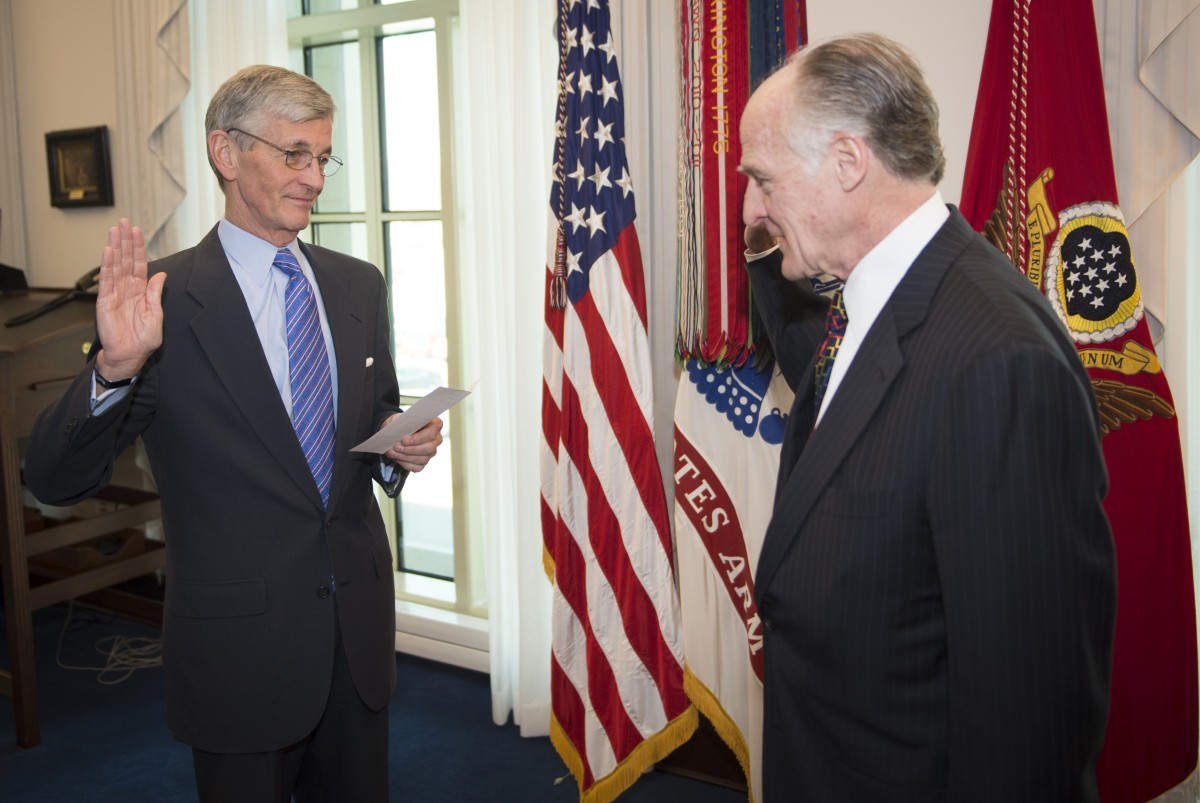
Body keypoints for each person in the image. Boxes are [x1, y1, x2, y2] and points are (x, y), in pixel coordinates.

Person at [24, 65, 443, 802]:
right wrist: (115, 368)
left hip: (357, 637)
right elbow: (52, 480)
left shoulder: (357, 284)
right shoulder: (161, 302)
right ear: (225, 152)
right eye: (294, 155)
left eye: (323, 156)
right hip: (239, 652)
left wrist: (395, 447)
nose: (315, 178)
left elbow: (372, 414)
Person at [737, 33, 1117, 801]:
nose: (750, 207)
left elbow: (1026, 735)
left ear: (848, 162)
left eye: (762, 179)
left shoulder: (997, 364)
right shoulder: (866, 299)